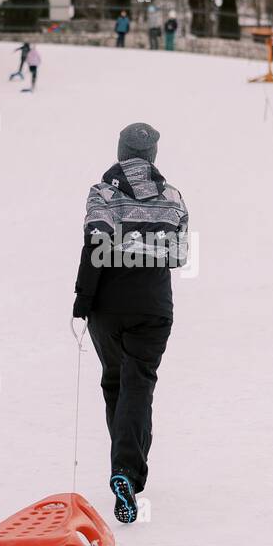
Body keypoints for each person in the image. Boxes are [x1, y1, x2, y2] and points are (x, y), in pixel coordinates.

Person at [72, 122, 188, 523]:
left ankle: (126, 468)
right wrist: (147, 242)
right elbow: (178, 255)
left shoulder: (103, 193)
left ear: (120, 151)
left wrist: (81, 301)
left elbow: (94, 243)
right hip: (154, 306)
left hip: (109, 304)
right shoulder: (172, 197)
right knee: (139, 386)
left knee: (115, 384)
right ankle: (127, 472)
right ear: (154, 155)